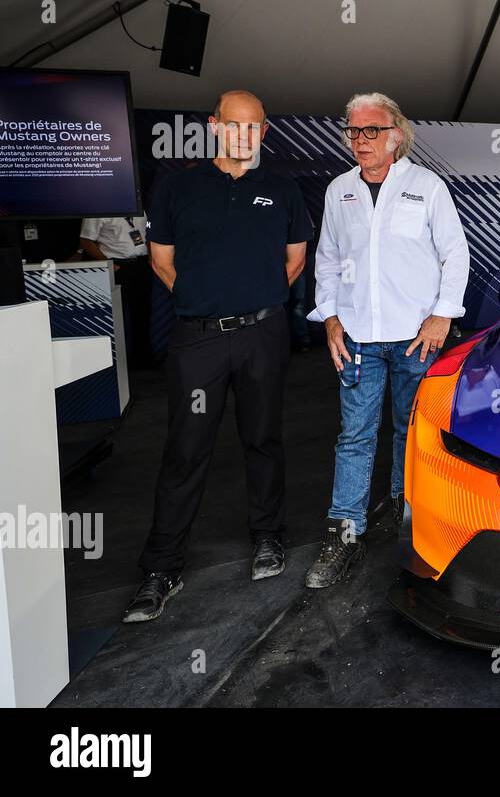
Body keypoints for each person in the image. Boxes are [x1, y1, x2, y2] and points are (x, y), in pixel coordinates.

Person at [123, 91, 313, 623]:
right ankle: (162, 567)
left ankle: (269, 538)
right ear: (214, 127)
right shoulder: (178, 187)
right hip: (198, 341)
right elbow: (161, 260)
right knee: (186, 448)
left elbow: (294, 260)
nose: (243, 136)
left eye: (253, 128)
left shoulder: (282, 190)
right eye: (234, 126)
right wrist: (207, 302)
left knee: (263, 439)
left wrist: (255, 302)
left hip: (262, 336)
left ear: (263, 133)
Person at [305, 93, 470, 588]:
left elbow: (455, 256)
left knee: (413, 434)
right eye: (353, 131)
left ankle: (409, 522)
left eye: (370, 131)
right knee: (355, 436)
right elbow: (328, 259)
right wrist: (331, 318)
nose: (360, 140)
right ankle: (344, 534)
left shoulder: (427, 186)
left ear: (396, 135)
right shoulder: (339, 191)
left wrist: (442, 318)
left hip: (416, 339)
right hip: (357, 337)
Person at [79, 213, 154, 365]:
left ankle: (143, 358)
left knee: (142, 312)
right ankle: (119, 359)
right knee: (119, 314)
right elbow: (86, 240)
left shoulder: (139, 208)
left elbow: (147, 233)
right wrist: (106, 262)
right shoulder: (100, 210)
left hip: (140, 265)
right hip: (117, 266)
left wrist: (151, 256)